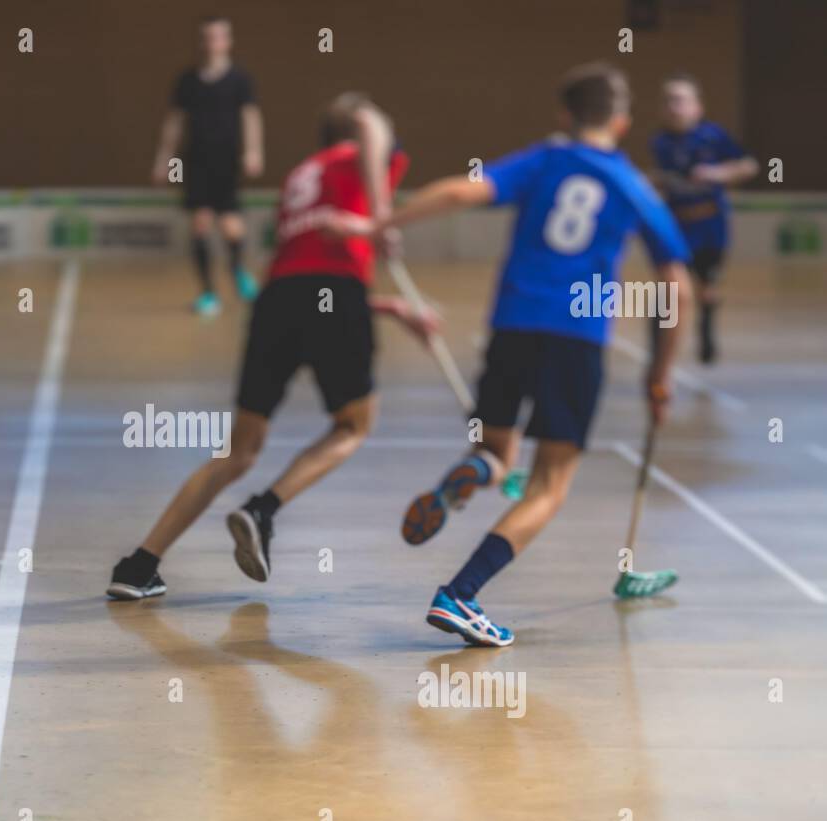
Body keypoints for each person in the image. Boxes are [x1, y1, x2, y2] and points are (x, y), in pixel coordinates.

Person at [390, 63, 693, 647]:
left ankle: (477, 469)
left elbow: (459, 190)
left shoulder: (545, 160)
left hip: (511, 328)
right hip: (577, 341)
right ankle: (460, 596)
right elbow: (676, 286)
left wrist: (383, 222)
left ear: (564, 115)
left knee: (497, 448)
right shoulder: (632, 184)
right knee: (550, 484)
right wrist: (660, 372)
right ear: (622, 122)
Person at [110, 93, 439, 600]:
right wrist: (378, 221)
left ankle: (139, 565)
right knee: (353, 425)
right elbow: (371, 124)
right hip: (332, 295)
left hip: (278, 301)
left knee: (238, 450)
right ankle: (262, 509)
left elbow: (306, 275)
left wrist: (392, 308)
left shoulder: (301, 175)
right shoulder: (360, 154)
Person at [152, 14, 263, 319]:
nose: (212, 43)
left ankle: (238, 271)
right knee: (199, 223)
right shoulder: (187, 81)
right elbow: (174, 123)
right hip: (196, 161)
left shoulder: (240, 79)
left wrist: (253, 151)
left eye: (219, 37)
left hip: (226, 161)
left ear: (228, 41)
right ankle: (208, 293)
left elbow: (250, 117)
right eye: (207, 37)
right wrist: (165, 160)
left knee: (230, 226)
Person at [650, 73, 757, 364]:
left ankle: (706, 329)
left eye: (681, 100)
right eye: (668, 101)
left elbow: (749, 165)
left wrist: (718, 173)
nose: (674, 107)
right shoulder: (660, 142)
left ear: (697, 106)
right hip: (676, 224)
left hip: (710, 225)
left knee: (706, 288)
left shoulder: (713, 136)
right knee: (667, 288)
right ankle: (658, 348)